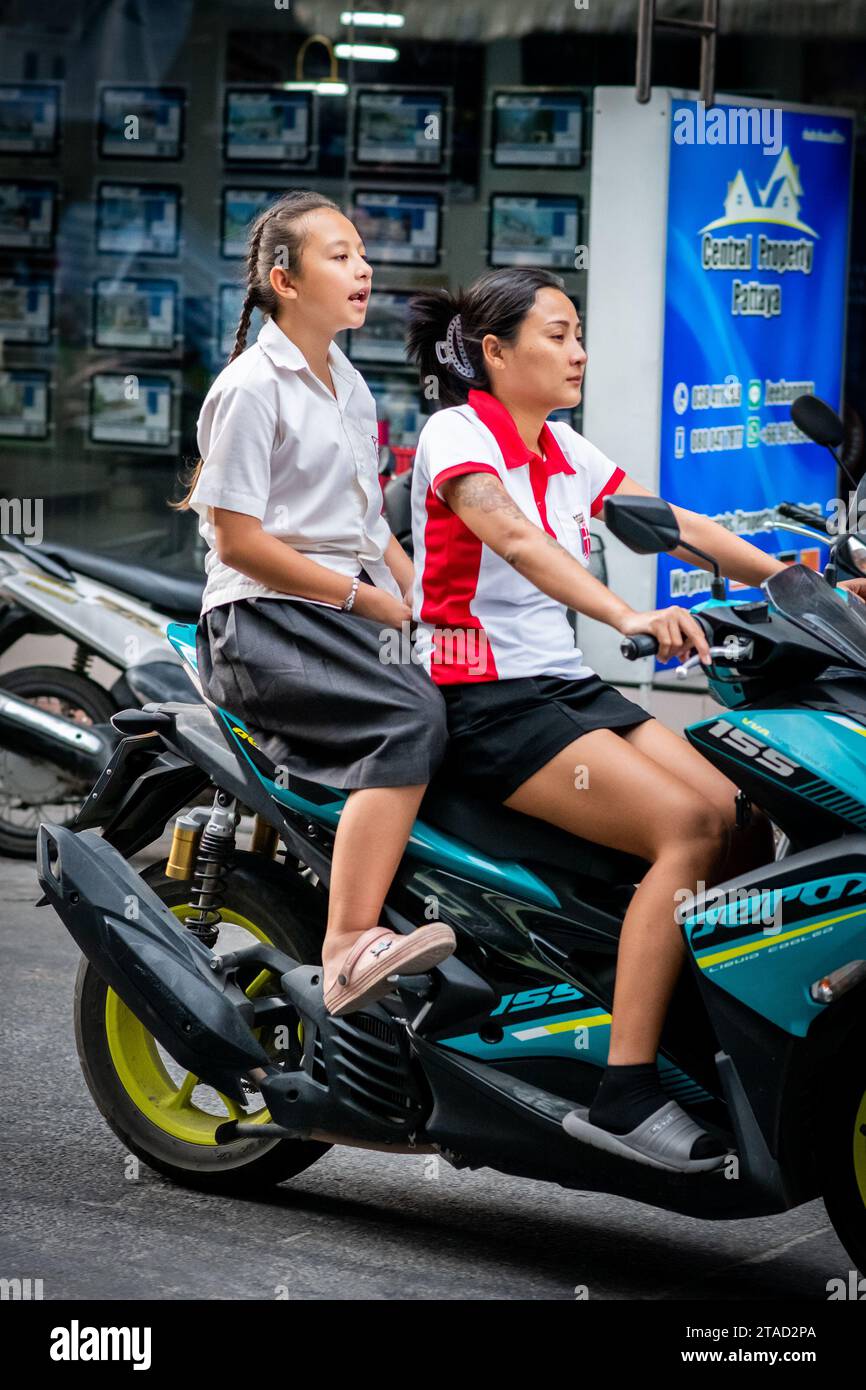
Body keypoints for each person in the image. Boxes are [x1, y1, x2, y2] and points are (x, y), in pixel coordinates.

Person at [404, 266, 861, 1173]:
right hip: (483, 695)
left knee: (745, 814)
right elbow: (517, 540)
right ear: (495, 353)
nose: (578, 352)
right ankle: (625, 1091)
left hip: (562, 686)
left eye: (579, 334)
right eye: (559, 334)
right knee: (688, 828)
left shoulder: (565, 448)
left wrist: (807, 585)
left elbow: (678, 523)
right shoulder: (458, 434)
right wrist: (627, 616)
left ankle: (684, 1021)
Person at [170, 190, 456, 1017]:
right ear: (284, 280)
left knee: (472, 698)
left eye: (363, 252)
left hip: (335, 610)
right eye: (339, 255)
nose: (362, 267)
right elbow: (239, 543)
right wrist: (376, 606)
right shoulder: (251, 386)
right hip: (259, 620)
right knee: (410, 719)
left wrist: (428, 598)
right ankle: (347, 946)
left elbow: (368, 528)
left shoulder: (350, 386)